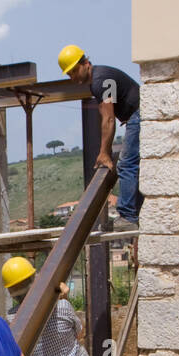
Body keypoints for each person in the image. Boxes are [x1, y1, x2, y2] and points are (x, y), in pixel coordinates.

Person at [58, 44, 141, 228]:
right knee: (134, 164)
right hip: (137, 115)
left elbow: (108, 119)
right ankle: (138, 211)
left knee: (127, 164)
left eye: (74, 71)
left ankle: (127, 217)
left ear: (85, 62)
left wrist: (104, 152)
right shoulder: (102, 77)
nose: (72, 77)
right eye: (69, 74)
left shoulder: (100, 80)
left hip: (138, 116)